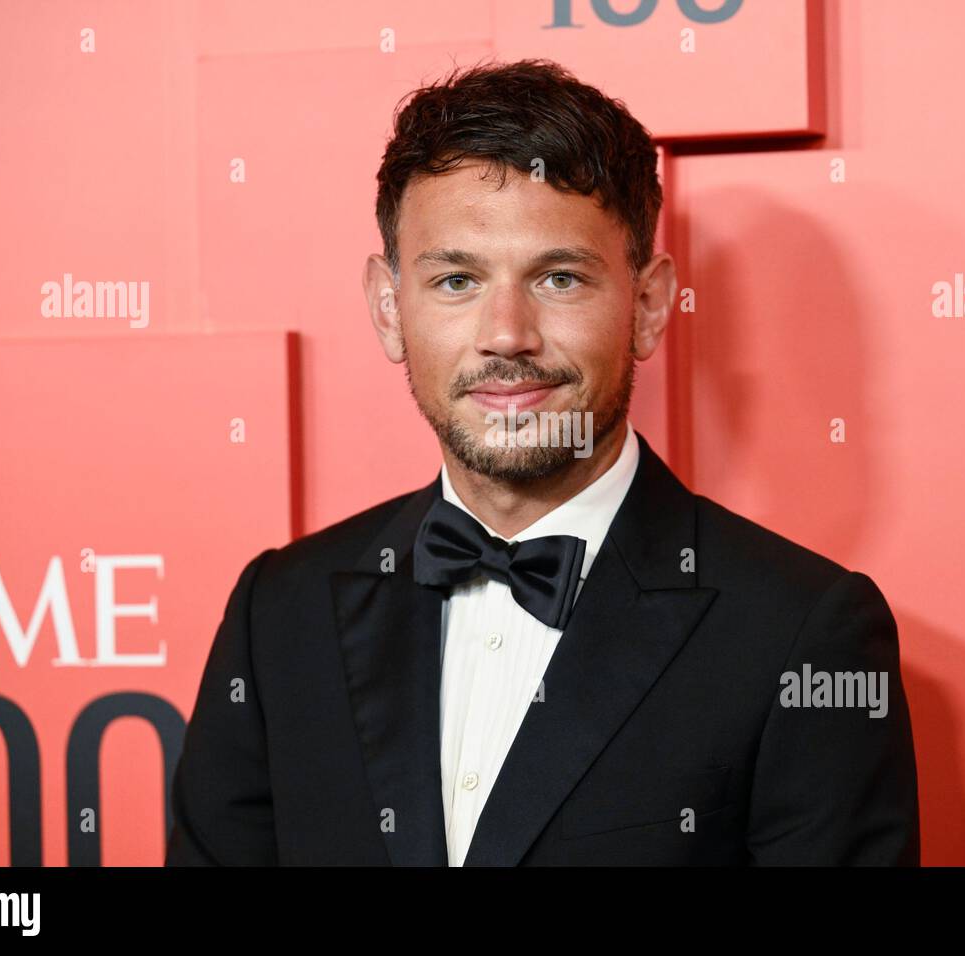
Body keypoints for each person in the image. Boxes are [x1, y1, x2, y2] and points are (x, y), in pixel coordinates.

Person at [165, 58, 920, 866]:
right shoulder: (279, 613)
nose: (506, 334)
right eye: (456, 279)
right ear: (390, 310)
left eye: (559, 278)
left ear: (650, 305)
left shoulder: (801, 632)